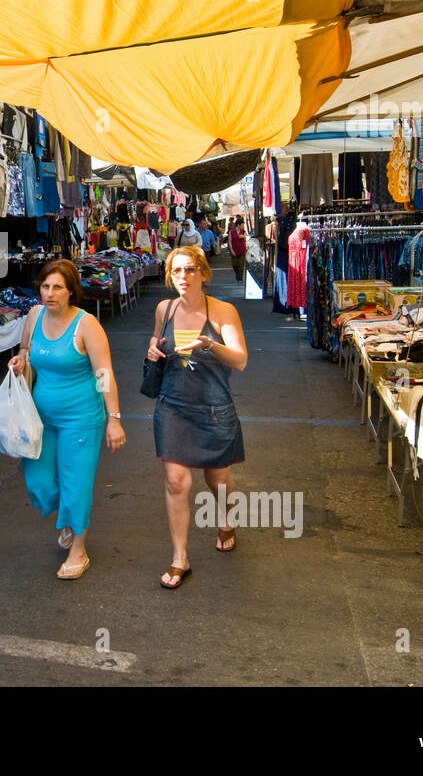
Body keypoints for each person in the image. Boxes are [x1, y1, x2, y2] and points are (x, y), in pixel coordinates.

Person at [8, 260, 125, 579]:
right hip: (40, 417)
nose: (49, 293)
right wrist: (20, 361)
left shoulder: (87, 325)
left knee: (76, 482)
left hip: (82, 418)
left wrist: (113, 418)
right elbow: (26, 351)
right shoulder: (34, 315)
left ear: (71, 290)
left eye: (57, 287)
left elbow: (103, 373)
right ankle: (69, 516)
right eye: (45, 286)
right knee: (39, 483)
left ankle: (79, 550)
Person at [146, 246, 248, 589]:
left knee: (217, 480)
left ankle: (227, 517)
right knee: (177, 481)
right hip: (172, 405)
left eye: (190, 270)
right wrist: (153, 349)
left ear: (204, 273)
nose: (183, 277)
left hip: (213, 408)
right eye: (176, 271)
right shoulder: (166, 308)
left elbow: (240, 360)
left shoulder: (222, 311)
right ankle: (180, 558)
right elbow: (158, 340)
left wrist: (210, 345)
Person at [228, 216, 248, 283]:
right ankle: (237, 275)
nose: (243, 226)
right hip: (234, 250)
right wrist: (231, 250)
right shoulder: (231, 232)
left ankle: (240, 278)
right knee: (234, 265)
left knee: (241, 265)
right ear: (238, 225)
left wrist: (244, 236)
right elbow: (230, 241)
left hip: (242, 250)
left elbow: (246, 239)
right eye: (242, 225)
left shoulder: (243, 232)